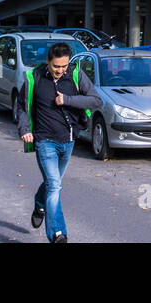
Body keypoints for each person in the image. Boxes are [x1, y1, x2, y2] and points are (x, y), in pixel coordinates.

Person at [16, 42, 103, 243]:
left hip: (69, 140)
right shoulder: (34, 77)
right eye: (56, 66)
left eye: (64, 66)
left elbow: (95, 100)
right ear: (48, 61)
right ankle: (57, 234)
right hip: (44, 140)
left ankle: (39, 202)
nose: (60, 70)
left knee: (52, 184)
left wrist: (68, 100)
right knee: (54, 186)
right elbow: (21, 107)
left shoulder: (75, 75)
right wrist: (25, 130)